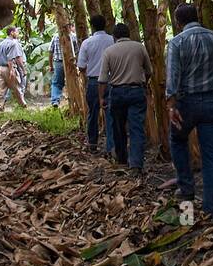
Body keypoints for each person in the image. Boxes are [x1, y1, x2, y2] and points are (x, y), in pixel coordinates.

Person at [164, 3, 213, 219]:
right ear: (197, 17)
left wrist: (171, 105)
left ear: (178, 22)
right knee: (211, 154)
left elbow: (173, 77)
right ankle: (211, 206)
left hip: (187, 103)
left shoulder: (177, 42)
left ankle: (187, 188)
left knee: (178, 140)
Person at [97, 23, 152, 178]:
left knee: (118, 127)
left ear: (114, 37)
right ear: (129, 34)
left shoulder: (109, 51)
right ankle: (136, 164)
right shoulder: (139, 47)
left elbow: (102, 79)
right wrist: (144, 83)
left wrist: (101, 97)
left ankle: (122, 158)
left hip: (117, 92)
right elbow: (149, 71)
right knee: (136, 128)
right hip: (136, 91)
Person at [76, 14, 114, 155]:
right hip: (110, 81)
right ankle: (111, 147)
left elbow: (81, 66)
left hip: (93, 81)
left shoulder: (87, 42)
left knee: (92, 113)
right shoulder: (112, 40)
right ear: (105, 24)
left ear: (91, 25)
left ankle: (92, 143)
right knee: (110, 114)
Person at [0, 26, 26, 111]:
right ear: (12, 33)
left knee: (1, 91)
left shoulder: (2, 43)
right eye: (16, 32)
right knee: (17, 89)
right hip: (9, 68)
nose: (18, 34)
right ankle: (23, 107)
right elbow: (14, 58)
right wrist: (20, 70)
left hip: (1, 68)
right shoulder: (13, 43)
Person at [48, 29, 77, 108]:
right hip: (71, 63)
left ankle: (55, 100)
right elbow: (77, 51)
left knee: (57, 83)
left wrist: (50, 65)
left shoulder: (56, 36)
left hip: (58, 63)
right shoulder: (73, 37)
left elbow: (51, 52)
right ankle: (75, 100)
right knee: (74, 81)